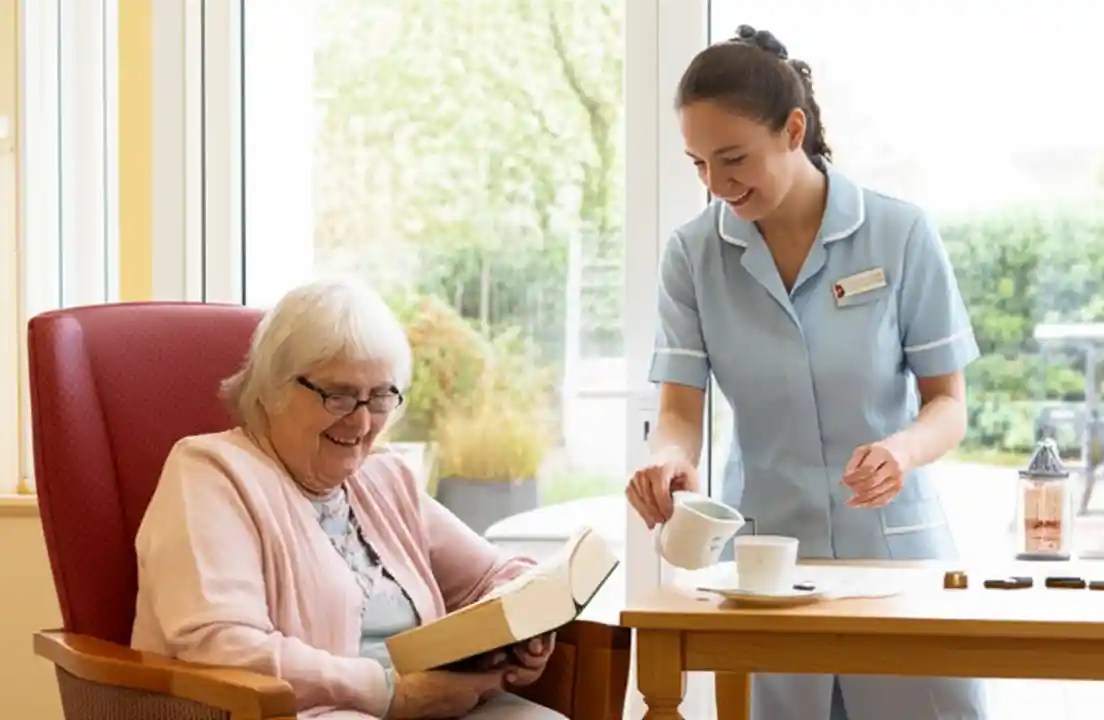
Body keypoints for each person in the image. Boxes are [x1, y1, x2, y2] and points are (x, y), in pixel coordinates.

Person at [625, 25, 987, 720]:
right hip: (765, 566)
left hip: (893, 554)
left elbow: (948, 404)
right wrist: (666, 462)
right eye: (698, 163)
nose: (716, 184)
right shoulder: (693, 257)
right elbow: (679, 411)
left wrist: (900, 452)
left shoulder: (900, 233)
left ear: (794, 129)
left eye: (733, 159)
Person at [130, 280, 563, 720]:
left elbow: (496, 574)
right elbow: (221, 645)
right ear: (271, 386)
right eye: (338, 395)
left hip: (432, 707)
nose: (360, 422)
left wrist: (526, 627)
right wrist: (390, 692)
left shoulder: (383, 478)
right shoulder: (210, 472)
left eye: (379, 397)